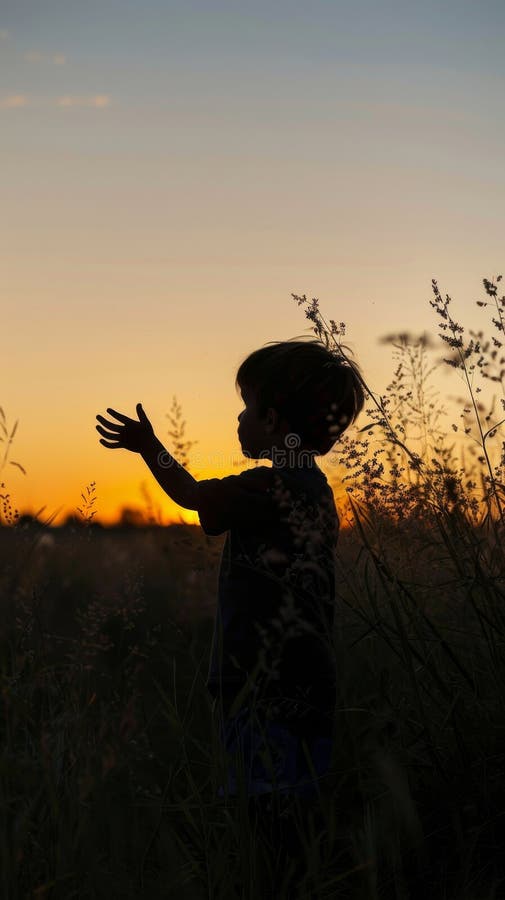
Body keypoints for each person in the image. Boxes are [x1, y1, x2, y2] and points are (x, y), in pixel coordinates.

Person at [96, 336, 365, 890]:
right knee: (297, 822)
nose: (239, 421)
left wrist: (150, 448)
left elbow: (192, 494)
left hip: (260, 685)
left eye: (245, 409)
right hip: (309, 683)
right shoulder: (313, 488)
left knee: (263, 824)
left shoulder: (270, 485)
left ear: (271, 419)